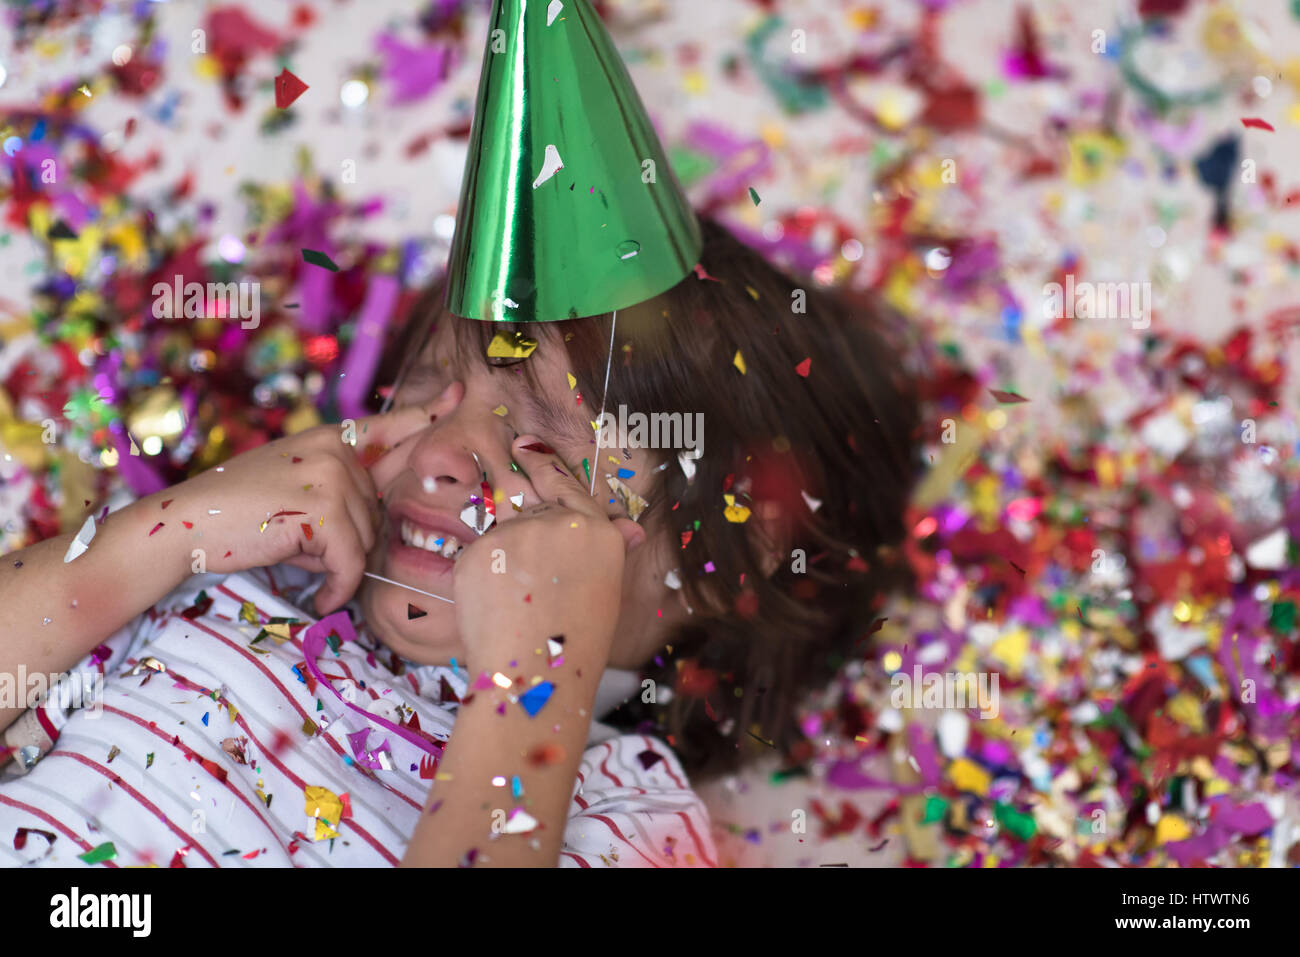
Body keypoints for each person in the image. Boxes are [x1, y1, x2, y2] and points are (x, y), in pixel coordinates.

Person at [0, 214, 920, 868]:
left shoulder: (631, 816)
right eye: (428, 391)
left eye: (546, 437)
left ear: (729, 556)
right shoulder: (227, 595)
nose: (439, 451)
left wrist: (534, 682)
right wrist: (165, 536)